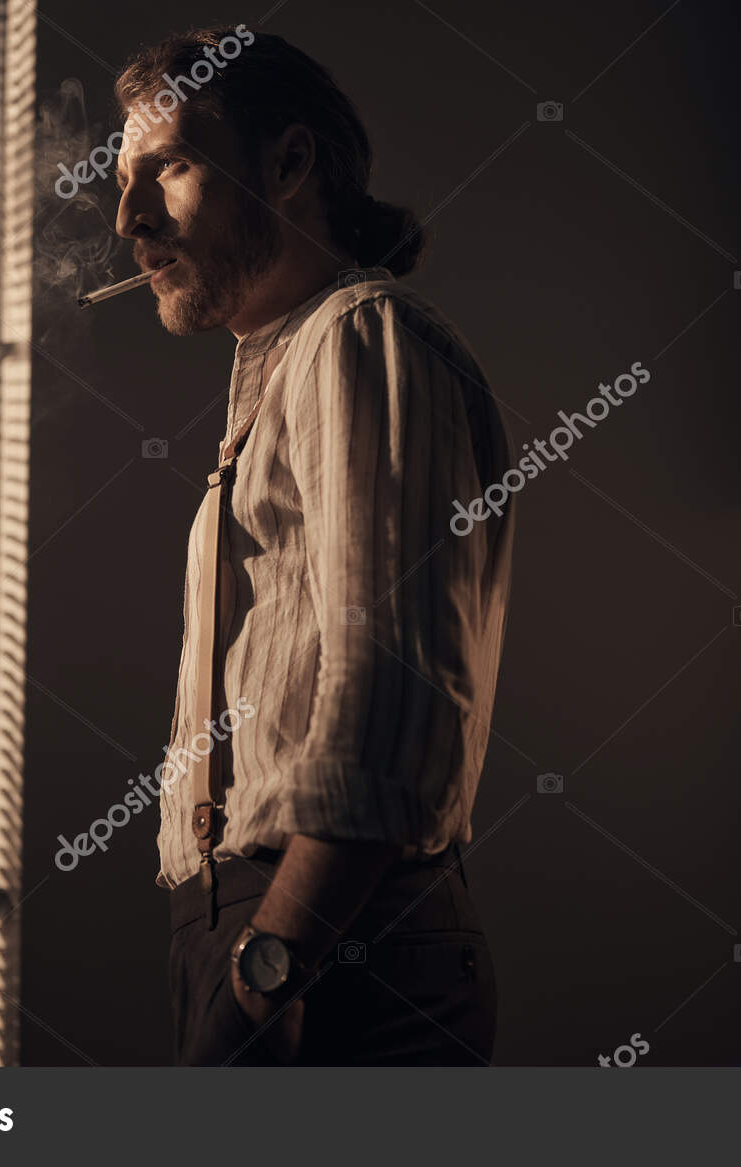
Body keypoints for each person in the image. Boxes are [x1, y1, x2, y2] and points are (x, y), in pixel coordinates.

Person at [112, 26, 516, 1065]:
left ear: (289, 165)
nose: (129, 220)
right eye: (123, 182)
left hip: (326, 936)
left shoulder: (359, 334)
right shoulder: (287, 373)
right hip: (261, 930)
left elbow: (387, 697)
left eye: (171, 166)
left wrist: (270, 963)